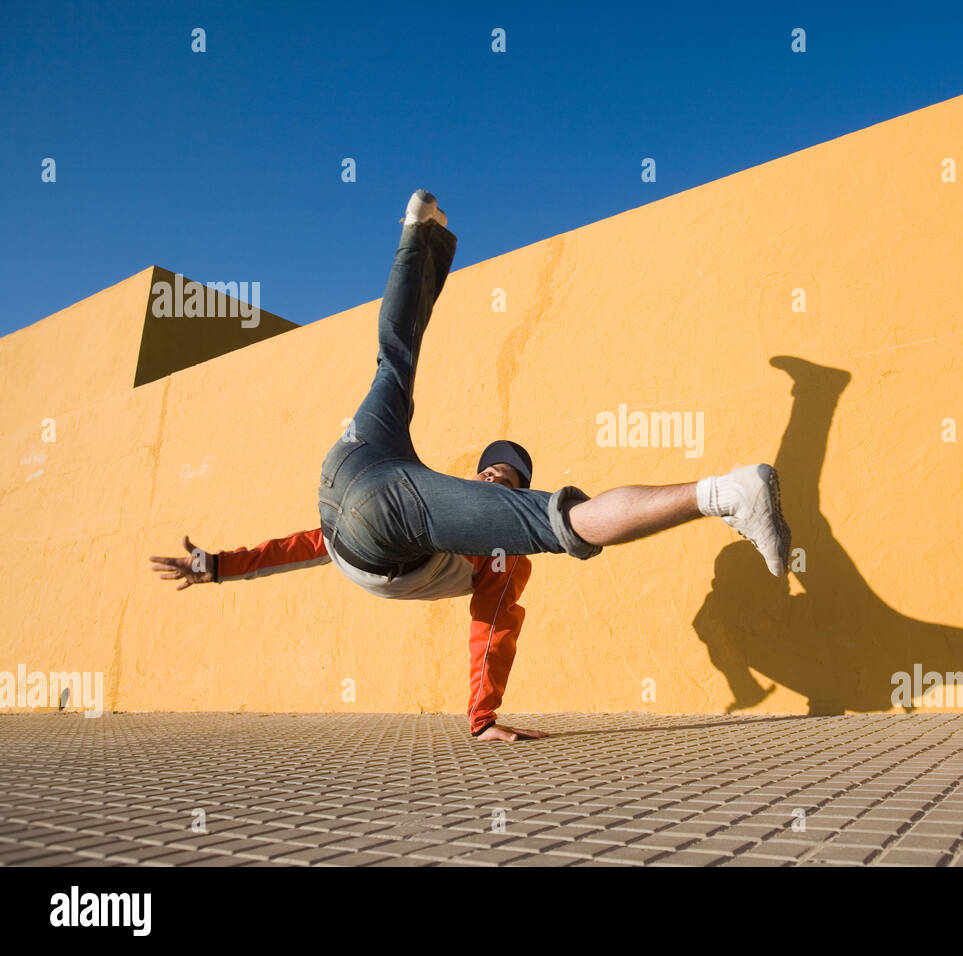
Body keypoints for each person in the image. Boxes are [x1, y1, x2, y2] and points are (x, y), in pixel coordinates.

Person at [150, 189, 791, 742]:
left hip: (345, 475)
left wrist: (217, 568)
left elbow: (322, 548)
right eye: (492, 473)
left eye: (507, 480)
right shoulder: (466, 524)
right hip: (366, 484)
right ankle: (725, 494)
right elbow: (485, 622)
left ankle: (418, 231)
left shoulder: (493, 549)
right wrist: (482, 720)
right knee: (566, 524)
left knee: (393, 361)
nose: (495, 480)